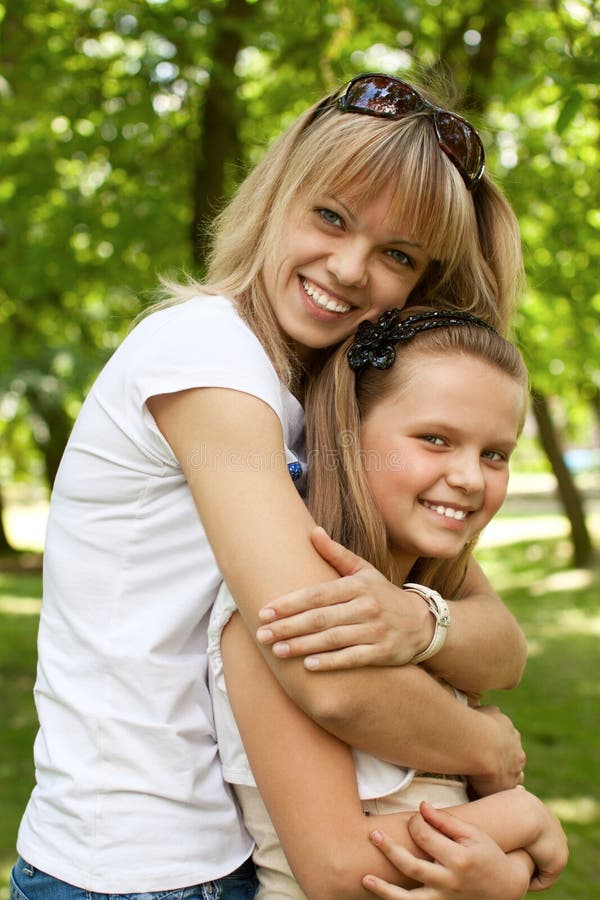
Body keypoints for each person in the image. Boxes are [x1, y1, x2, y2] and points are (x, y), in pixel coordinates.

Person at [13, 72, 533, 899]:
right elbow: (324, 675)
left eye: (397, 255)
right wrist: (490, 754)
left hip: (234, 859)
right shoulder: (204, 359)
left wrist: (420, 621)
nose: (350, 267)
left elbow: (503, 642)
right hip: (133, 872)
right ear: (279, 193)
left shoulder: (317, 404)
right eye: (330, 216)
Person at [209, 308, 568, 899]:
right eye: (435, 439)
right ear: (350, 437)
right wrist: (524, 818)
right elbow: (340, 871)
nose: (470, 478)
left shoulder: (425, 598)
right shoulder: (289, 617)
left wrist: (504, 875)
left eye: (495, 454)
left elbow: (508, 656)